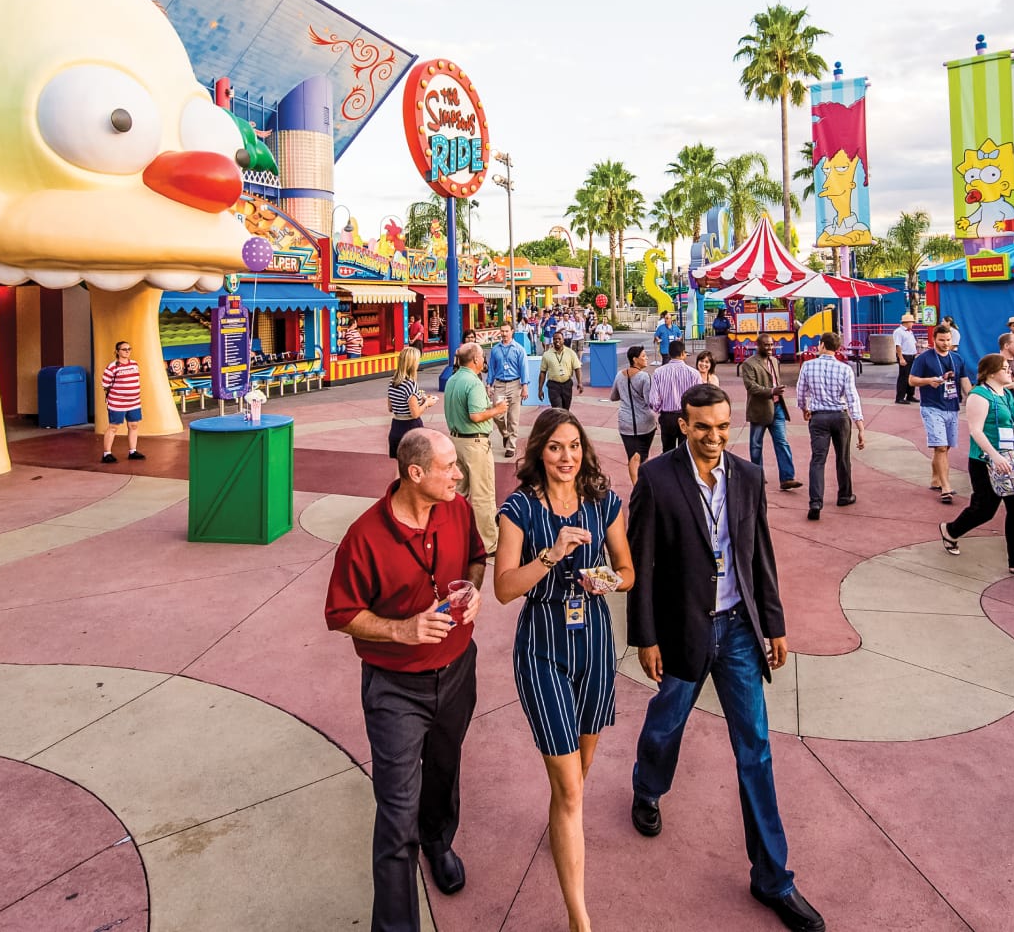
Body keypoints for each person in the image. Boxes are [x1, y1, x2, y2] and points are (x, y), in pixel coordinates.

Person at [627, 383, 825, 932]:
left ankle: (773, 879)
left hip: (738, 629)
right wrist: (645, 638)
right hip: (682, 631)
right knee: (666, 724)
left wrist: (773, 623)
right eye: (703, 428)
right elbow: (641, 565)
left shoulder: (748, 476)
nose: (714, 437)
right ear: (684, 426)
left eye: (721, 426)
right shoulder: (657, 479)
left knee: (755, 749)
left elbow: (759, 553)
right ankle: (647, 787)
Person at [324, 429, 486, 932]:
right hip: (395, 687)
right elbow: (341, 614)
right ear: (415, 473)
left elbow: (477, 557)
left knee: (443, 769)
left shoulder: (456, 509)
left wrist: (473, 590)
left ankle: (438, 842)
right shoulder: (364, 536)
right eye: (448, 466)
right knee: (396, 813)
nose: (458, 474)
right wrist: (402, 629)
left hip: (457, 670)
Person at [495, 410, 634, 932]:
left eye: (574, 446)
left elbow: (628, 570)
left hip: (594, 641)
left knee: (577, 774)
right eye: (555, 447)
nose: (567, 456)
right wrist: (551, 555)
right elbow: (504, 588)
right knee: (573, 790)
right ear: (539, 451)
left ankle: (561, 822)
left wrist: (608, 582)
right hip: (543, 646)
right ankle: (580, 919)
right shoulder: (519, 509)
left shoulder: (602, 502)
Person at [939, 353, 1014, 580]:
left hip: (1013, 458)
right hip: (986, 461)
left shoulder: (1006, 393)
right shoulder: (979, 395)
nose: (1009, 370)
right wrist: (995, 456)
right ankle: (950, 530)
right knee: (985, 509)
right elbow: (975, 430)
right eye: (1004, 367)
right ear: (990, 373)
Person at [443, 343, 509, 552]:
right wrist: (497, 409)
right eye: (482, 356)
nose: (483, 360)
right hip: (475, 443)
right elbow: (476, 416)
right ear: (475, 360)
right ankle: (488, 543)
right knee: (483, 494)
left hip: (456, 440)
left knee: (457, 492)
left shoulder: (453, 380)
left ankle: (450, 533)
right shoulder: (473, 383)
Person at [795, 332, 865, 520]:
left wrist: (804, 409)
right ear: (837, 348)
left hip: (818, 417)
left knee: (818, 459)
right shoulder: (845, 369)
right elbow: (852, 398)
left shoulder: (808, 366)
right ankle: (844, 495)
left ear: (822, 345)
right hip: (840, 416)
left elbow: (801, 392)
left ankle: (816, 502)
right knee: (843, 457)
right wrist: (860, 426)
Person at [908, 323, 971, 504]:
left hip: (952, 407)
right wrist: (929, 381)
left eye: (948, 340)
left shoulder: (957, 359)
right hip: (932, 407)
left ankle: (936, 478)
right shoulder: (924, 358)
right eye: (942, 340)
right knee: (941, 447)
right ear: (934, 339)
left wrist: (974, 397)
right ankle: (946, 486)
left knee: (945, 447)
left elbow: (965, 381)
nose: (945, 343)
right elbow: (911, 380)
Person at [740, 335, 801, 491]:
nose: (769, 348)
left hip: (778, 407)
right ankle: (757, 476)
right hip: (760, 409)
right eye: (766, 345)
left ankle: (787, 478)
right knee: (756, 445)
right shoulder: (748, 364)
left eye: (771, 345)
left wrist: (777, 391)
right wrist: (771, 391)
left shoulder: (774, 361)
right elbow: (751, 387)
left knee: (782, 442)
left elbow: (775, 381)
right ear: (758, 345)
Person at [610, 344, 657, 484]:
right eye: (643, 356)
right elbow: (650, 401)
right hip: (645, 422)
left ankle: (637, 487)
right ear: (635, 359)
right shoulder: (645, 377)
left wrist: (625, 394)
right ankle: (643, 486)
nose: (646, 358)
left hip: (625, 422)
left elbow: (613, 396)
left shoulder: (619, 375)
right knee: (643, 455)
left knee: (632, 456)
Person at [648, 338, 701, 453]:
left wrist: (659, 410)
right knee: (685, 451)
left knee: (668, 452)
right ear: (683, 353)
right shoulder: (694, 374)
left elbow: (654, 400)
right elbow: (698, 398)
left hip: (667, 416)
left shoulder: (658, 372)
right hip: (686, 416)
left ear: (669, 353)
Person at [487, 322, 528, 459]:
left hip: (514, 385)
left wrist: (525, 386)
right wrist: (489, 384)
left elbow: (524, 368)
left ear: (512, 331)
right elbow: (492, 368)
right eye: (502, 331)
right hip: (499, 385)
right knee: (497, 415)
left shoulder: (519, 349)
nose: (504, 334)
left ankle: (511, 446)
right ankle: (505, 433)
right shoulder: (495, 350)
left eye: (506, 331)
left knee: (513, 418)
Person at [387, 346, 437, 459]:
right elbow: (415, 413)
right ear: (412, 363)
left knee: (401, 464)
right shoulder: (410, 384)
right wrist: (427, 403)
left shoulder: (393, 382)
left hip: (396, 426)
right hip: (410, 427)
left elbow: (390, 407)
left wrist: (421, 399)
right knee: (415, 462)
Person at [101, 340, 145, 463]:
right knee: (113, 427)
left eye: (129, 349)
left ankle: (133, 451)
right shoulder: (112, 367)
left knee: (133, 425)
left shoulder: (134, 364)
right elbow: (105, 383)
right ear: (117, 351)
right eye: (124, 349)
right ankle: (107, 454)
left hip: (134, 402)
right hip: (118, 403)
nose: (127, 351)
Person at [539, 331, 583, 410]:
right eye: (555, 339)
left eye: (559, 339)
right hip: (553, 386)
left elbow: (577, 368)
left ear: (563, 340)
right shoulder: (547, 354)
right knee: (557, 409)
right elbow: (543, 372)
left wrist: (579, 382)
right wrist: (540, 389)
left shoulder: (571, 353)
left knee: (565, 410)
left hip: (567, 385)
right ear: (552, 340)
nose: (557, 341)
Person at [892, 313, 918, 404]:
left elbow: (914, 343)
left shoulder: (910, 332)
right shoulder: (898, 332)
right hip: (905, 355)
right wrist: (901, 358)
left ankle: (910, 395)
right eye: (912, 322)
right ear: (907, 322)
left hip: (912, 355)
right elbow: (898, 345)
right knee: (903, 377)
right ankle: (900, 397)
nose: (913, 324)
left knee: (912, 375)